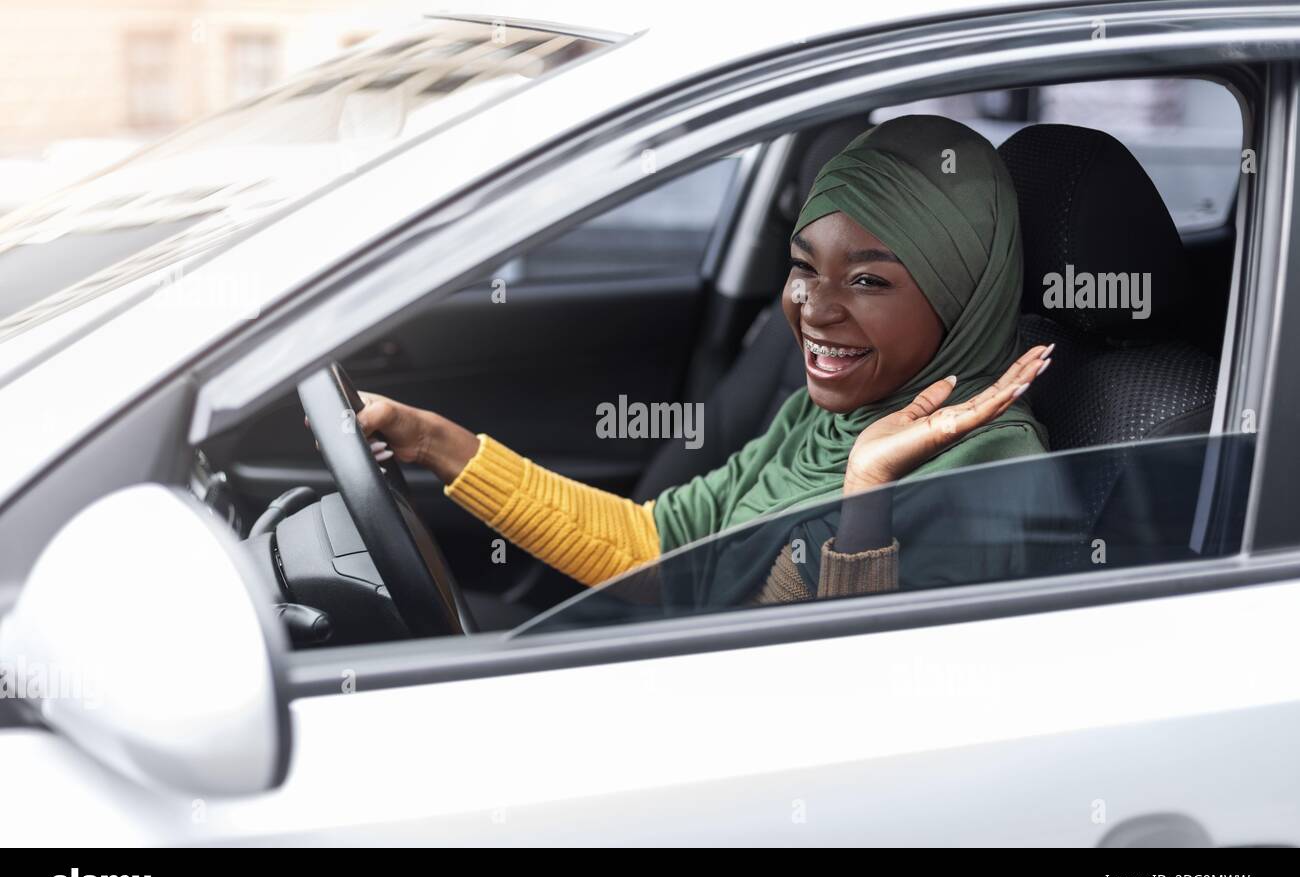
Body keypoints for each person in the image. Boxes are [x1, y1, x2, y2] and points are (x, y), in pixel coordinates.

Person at [352, 115, 1052, 604]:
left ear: (962, 294)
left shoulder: (996, 469)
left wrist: (866, 496)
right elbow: (656, 545)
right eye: (803, 266)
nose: (813, 307)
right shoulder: (826, 415)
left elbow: (848, 705)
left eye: (868, 280)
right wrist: (433, 442)